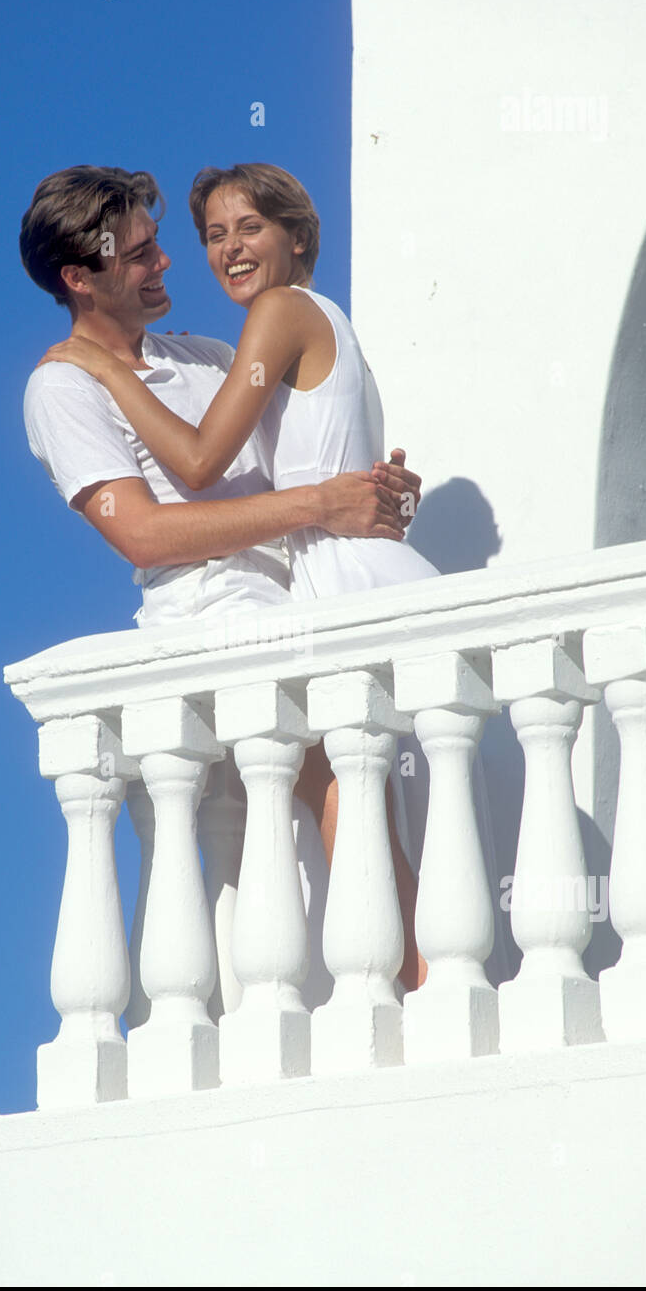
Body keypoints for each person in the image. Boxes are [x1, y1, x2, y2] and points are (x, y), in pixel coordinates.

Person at [36, 163, 445, 990]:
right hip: (216, 609)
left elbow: (296, 460)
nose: (169, 265)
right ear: (82, 277)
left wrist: (366, 491)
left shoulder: (212, 353)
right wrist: (317, 503)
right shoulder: (61, 386)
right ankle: (421, 981)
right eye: (142, 256)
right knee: (335, 774)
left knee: (366, 783)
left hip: (303, 586)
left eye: (160, 246)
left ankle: (420, 978)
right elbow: (147, 536)